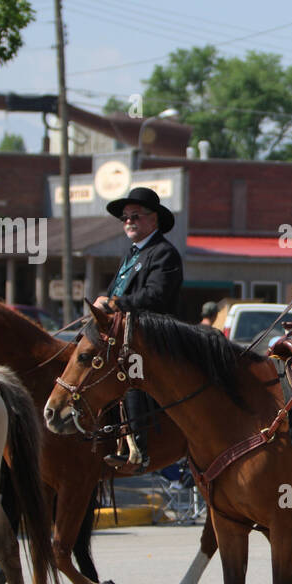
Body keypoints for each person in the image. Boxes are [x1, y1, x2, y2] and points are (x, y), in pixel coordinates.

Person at [95, 187, 183, 472]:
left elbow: (156, 297)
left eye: (136, 216)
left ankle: (139, 449)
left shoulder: (164, 254)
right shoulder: (131, 255)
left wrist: (115, 303)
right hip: (121, 333)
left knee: (128, 370)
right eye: (125, 218)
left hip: (151, 336)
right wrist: (104, 304)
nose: (129, 222)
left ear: (153, 220)